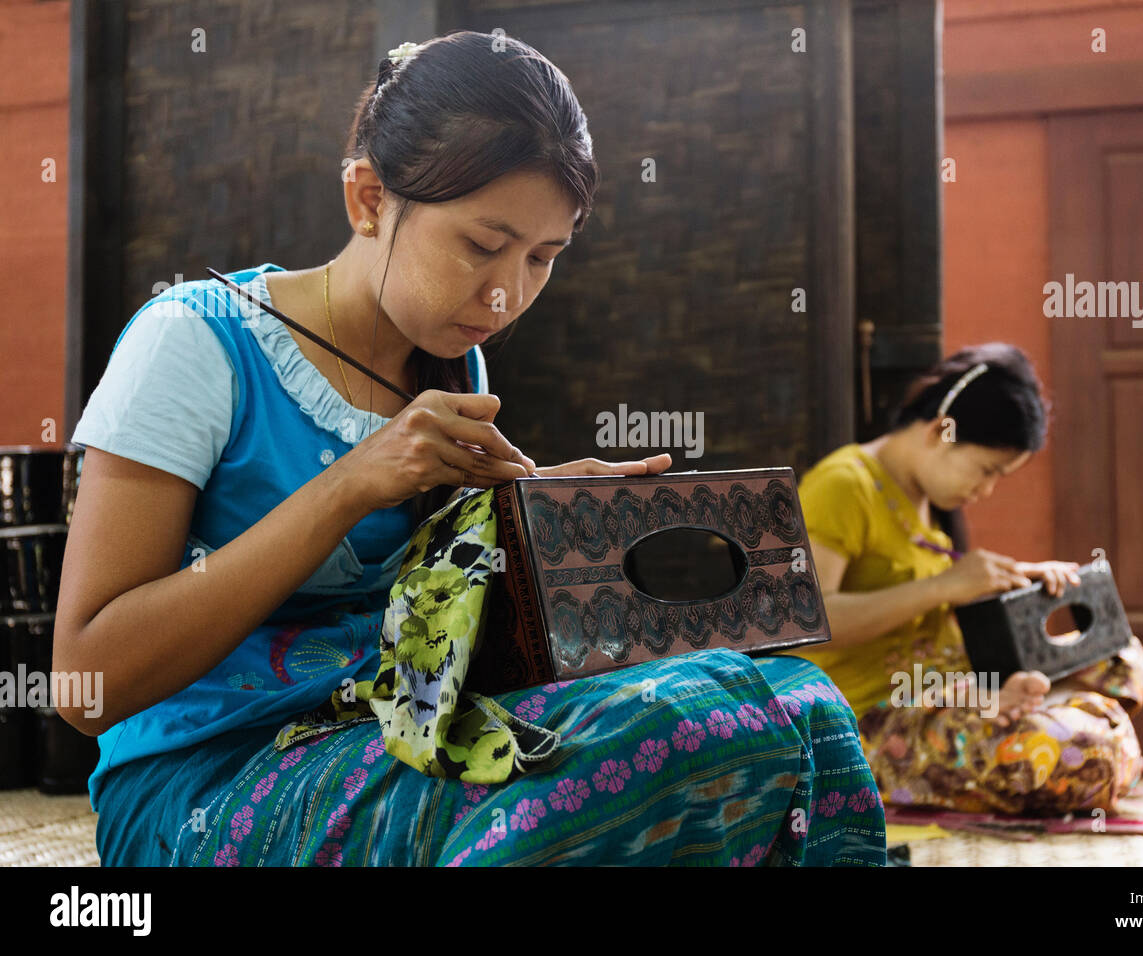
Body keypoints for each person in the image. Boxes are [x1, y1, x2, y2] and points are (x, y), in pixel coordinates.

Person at [54, 31, 885, 866]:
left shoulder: (450, 356)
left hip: (402, 725)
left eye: (542, 258)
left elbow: (432, 612)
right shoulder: (197, 340)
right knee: (653, 739)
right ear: (369, 198)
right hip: (211, 778)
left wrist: (526, 516)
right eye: (483, 246)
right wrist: (346, 487)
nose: (506, 293)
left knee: (796, 705)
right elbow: (86, 681)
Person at [784, 343, 1143, 815]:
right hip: (871, 721)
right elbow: (804, 622)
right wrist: (943, 587)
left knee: (1122, 654)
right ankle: (1054, 720)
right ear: (942, 430)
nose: (986, 490)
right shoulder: (845, 485)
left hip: (951, 694)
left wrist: (1016, 583)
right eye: (986, 470)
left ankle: (1031, 707)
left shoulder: (928, 500)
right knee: (1085, 753)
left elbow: (941, 599)